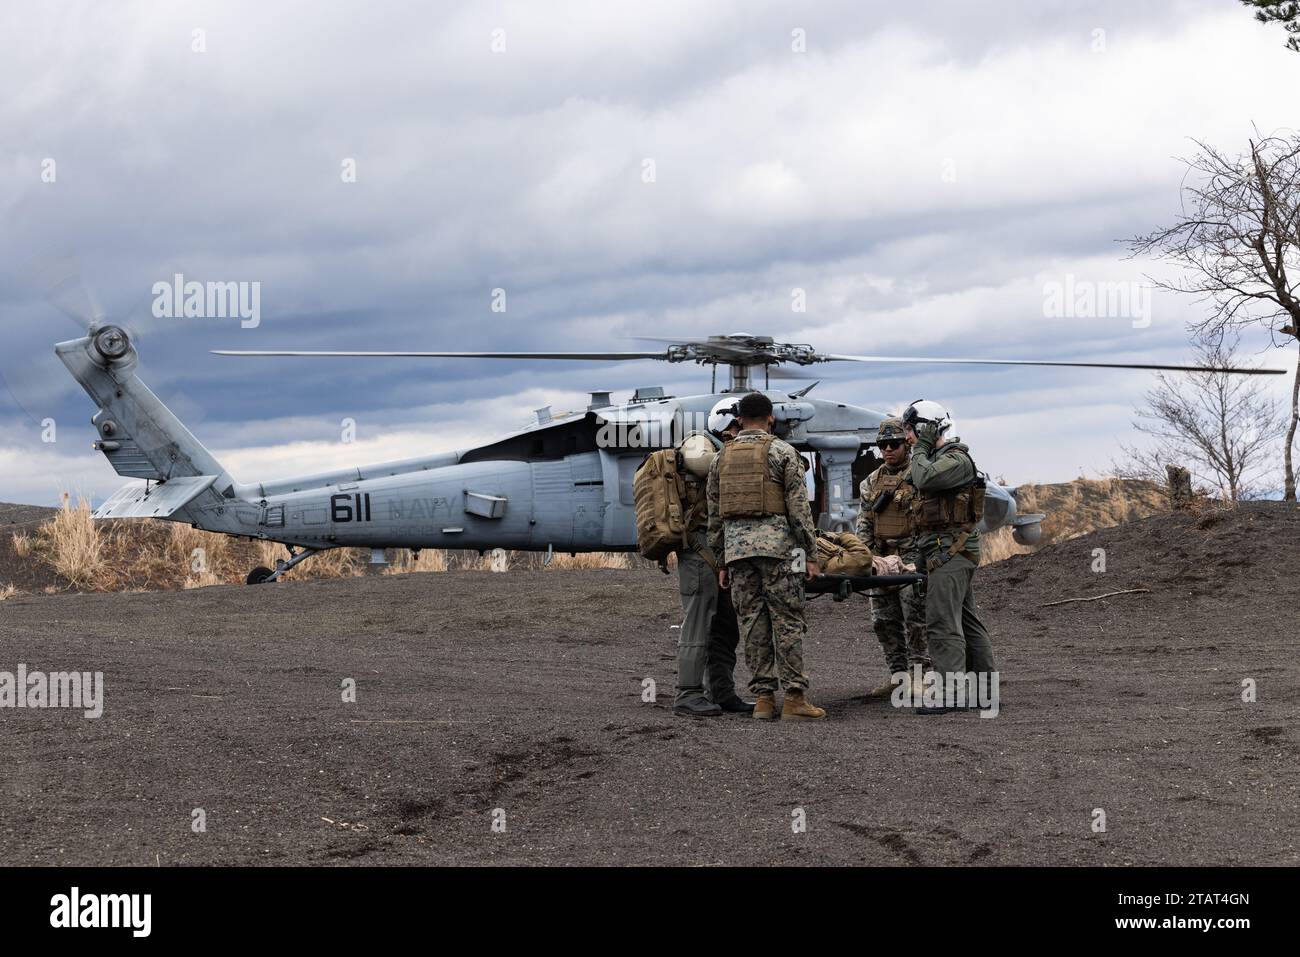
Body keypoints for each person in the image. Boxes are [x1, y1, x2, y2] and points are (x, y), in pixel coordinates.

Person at [706, 391, 824, 721]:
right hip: (780, 553)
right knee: (787, 622)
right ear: (770, 418)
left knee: (753, 624)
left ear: (739, 420)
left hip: (738, 555)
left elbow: (714, 517)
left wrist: (721, 561)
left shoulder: (720, 459)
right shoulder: (783, 453)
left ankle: (762, 700)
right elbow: (800, 511)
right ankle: (795, 699)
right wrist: (810, 554)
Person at [902, 400, 997, 714]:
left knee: (942, 621)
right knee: (967, 621)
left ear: (927, 427)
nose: (907, 438)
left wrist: (922, 447)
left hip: (951, 552)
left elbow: (924, 479)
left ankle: (952, 694)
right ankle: (984, 693)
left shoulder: (956, 460)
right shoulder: (940, 459)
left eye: (910, 430)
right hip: (947, 551)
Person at [672, 401, 752, 717]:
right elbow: (705, 464)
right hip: (699, 550)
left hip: (720, 551)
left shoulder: (721, 450)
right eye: (742, 426)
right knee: (698, 622)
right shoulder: (699, 443)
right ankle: (688, 693)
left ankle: (722, 691)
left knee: (725, 625)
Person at [856, 417, 930, 699]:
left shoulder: (920, 476)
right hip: (883, 558)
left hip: (911, 556)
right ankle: (898, 677)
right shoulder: (871, 482)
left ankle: (920, 676)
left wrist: (920, 559)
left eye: (894, 444)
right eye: (883, 445)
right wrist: (865, 559)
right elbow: (864, 522)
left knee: (915, 619)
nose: (888, 449)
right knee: (883, 621)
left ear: (906, 445)